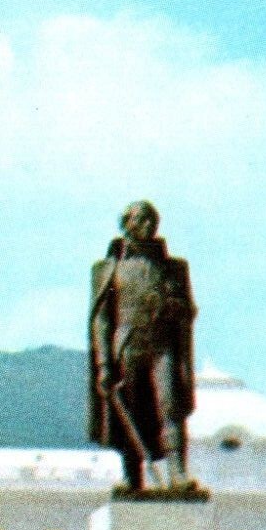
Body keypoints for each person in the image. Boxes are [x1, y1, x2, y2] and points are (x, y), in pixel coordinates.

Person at [88, 201, 197, 492]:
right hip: (127, 345)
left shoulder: (174, 269)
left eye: (153, 219)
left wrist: (176, 305)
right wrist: (104, 365)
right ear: (127, 224)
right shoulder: (108, 269)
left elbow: (188, 311)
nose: (150, 225)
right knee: (132, 411)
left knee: (169, 406)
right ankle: (131, 475)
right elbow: (101, 320)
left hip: (162, 346)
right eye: (142, 219)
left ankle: (177, 472)